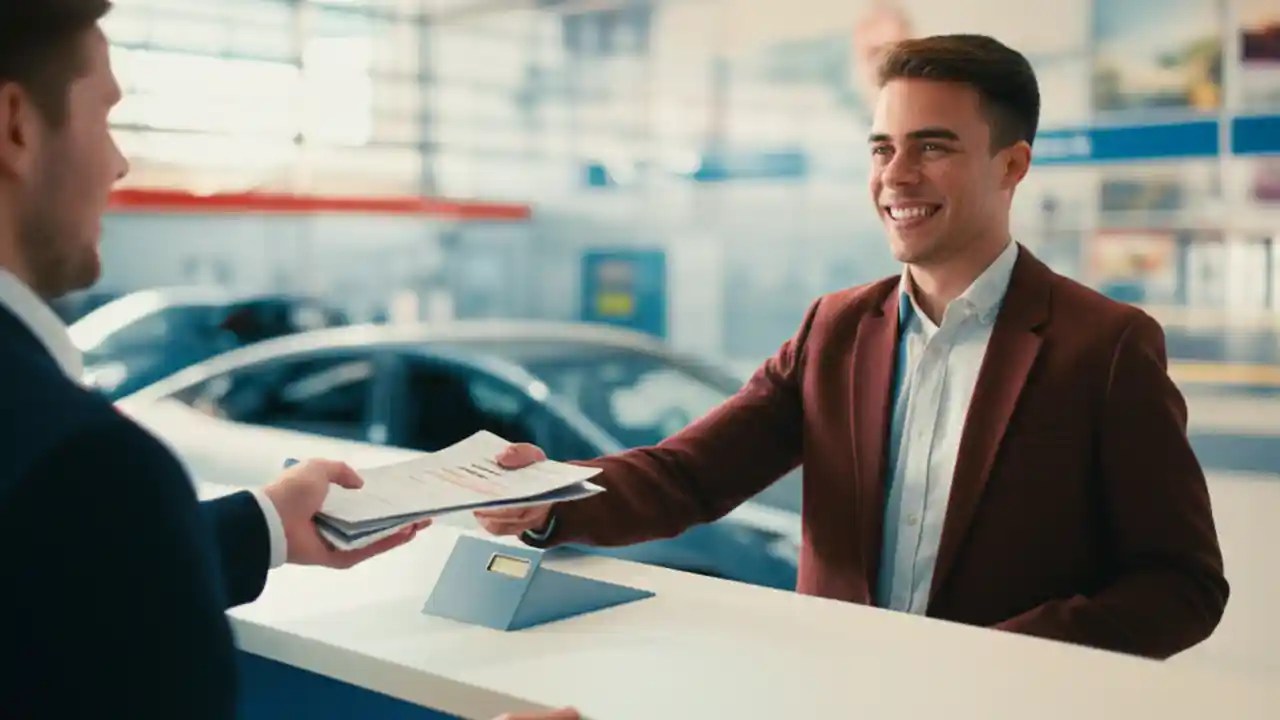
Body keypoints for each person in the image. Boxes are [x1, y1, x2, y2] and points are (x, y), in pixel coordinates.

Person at [481, 34, 1230, 660]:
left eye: (931, 147)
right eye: (882, 149)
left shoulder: (1102, 347)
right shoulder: (833, 331)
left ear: (1012, 165)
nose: (896, 176)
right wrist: (544, 497)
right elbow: (688, 476)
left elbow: (1179, 584)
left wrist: (1006, 664)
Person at [0, 2, 581, 718]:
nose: (119, 163)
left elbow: (61, 587)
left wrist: (265, 524)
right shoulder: (83, 464)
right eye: (106, 114)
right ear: (16, 127)